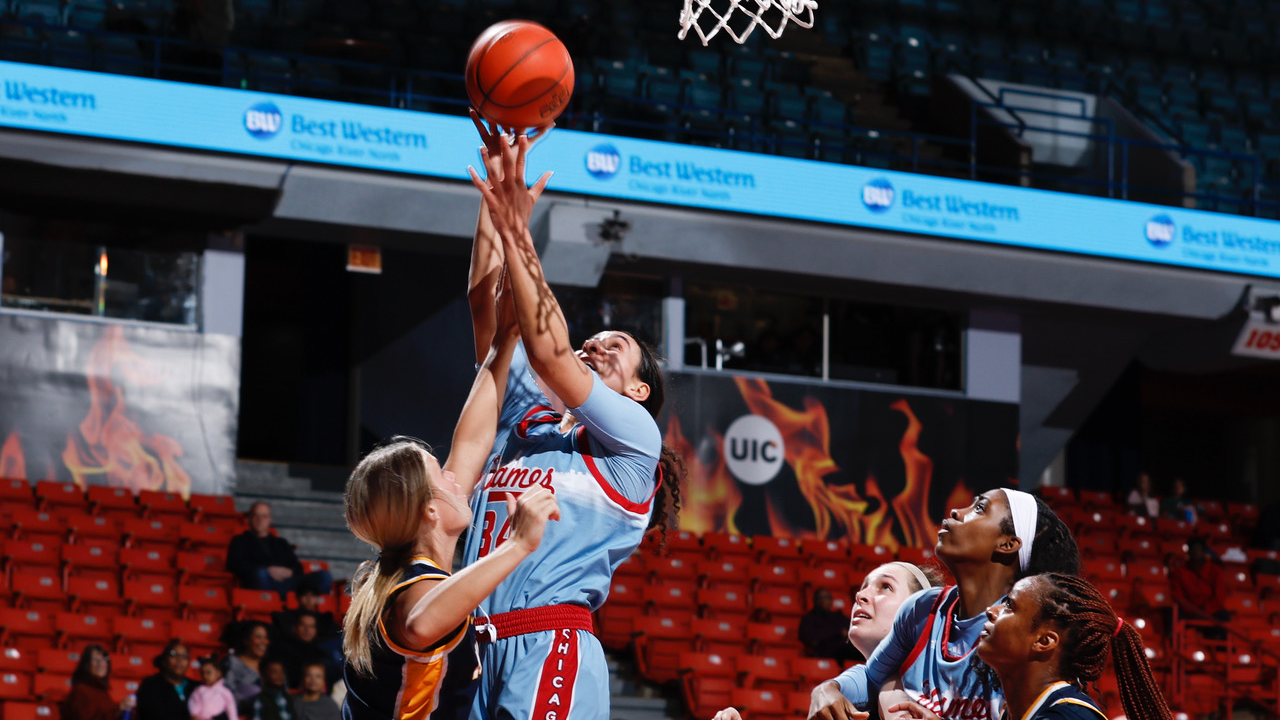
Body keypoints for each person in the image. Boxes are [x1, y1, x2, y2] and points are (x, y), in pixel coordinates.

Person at [466, 119, 685, 720]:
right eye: (594, 340)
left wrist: (519, 229)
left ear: (639, 389)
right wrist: (495, 196)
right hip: (471, 648)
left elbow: (550, 352)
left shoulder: (636, 441)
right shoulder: (528, 419)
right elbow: (487, 314)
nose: (598, 345)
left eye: (618, 346)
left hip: (548, 643)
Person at [341, 274, 560, 719]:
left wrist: (505, 339)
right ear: (429, 510)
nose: (456, 478)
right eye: (441, 475)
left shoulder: (398, 573)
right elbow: (420, 624)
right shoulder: (415, 588)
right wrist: (518, 545)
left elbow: (472, 444)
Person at [809, 488, 1082, 720]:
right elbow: (870, 677)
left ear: (1007, 543)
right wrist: (828, 689)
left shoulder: (1023, 628)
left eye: (980, 508)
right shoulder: (922, 608)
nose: (956, 512)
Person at [890, 573, 1172, 720]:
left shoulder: (1070, 718)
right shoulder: (1016, 712)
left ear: (1044, 641)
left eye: (1009, 605)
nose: (991, 611)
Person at [714, 562, 944, 720]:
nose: (860, 596)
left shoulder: (963, 673)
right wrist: (824, 689)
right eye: (863, 588)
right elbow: (839, 685)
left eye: (886, 586)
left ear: (921, 610)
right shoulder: (865, 679)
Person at [226, 502, 333, 599]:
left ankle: (315, 613)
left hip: (287, 583)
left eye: (264, 516)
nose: (260, 520)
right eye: (256, 516)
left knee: (324, 576)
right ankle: (270, 603)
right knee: (261, 574)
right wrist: (269, 570)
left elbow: (298, 567)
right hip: (262, 583)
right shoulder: (240, 541)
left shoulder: (280, 543)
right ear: (249, 518)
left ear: (269, 519)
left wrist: (289, 572)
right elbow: (234, 565)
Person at [1169, 537, 1229, 634]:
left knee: (1224, 620)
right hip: (1189, 611)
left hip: (1211, 611)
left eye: (1198, 550)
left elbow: (1219, 595)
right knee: (1174, 617)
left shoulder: (1215, 570)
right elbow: (1178, 596)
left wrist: (1205, 611)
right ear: (1189, 552)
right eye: (1193, 550)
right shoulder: (1180, 572)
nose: (1196, 553)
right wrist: (1193, 611)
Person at [62, 644, 135, 720]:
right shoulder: (80, 691)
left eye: (104, 659)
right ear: (86, 664)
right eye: (95, 660)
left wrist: (123, 710)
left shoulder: (102, 691)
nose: (101, 663)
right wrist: (119, 710)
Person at [136, 640, 197, 720]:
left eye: (184, 656)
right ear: (164, 661)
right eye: (173, 655)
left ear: (189, 662)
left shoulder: (196, 687)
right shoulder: (150, 685)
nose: (179, 660)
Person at [276, 611, 333, 689]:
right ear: (294, 628)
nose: (307, 630)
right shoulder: (282, 652)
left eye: (311, 626)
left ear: (315, 630)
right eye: (303, 625)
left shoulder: (322, 654)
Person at [800, 588, 857, 664]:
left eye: (827, 597)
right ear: (815, 600)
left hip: (846, 651)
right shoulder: (809, 619)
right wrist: (838, 632)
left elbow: (851, 631)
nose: (824, 601)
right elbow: (810, 638)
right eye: (820, 598)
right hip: (825, 652)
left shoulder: (838, 616)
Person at [225, 621, 270, 711]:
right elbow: (228, 693)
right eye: (258, 637)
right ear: (246, 640)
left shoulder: (271, 666)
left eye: (265, 638)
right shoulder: (233, 663)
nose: (263, 642)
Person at [188, 654, 239, 720]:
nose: (205, 676)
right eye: (202, 673)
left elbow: (231, 710)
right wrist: (194, 715)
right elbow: (193, 704)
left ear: (218, 673)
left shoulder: (225, 692)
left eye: (208, 672)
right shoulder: (198, 690)